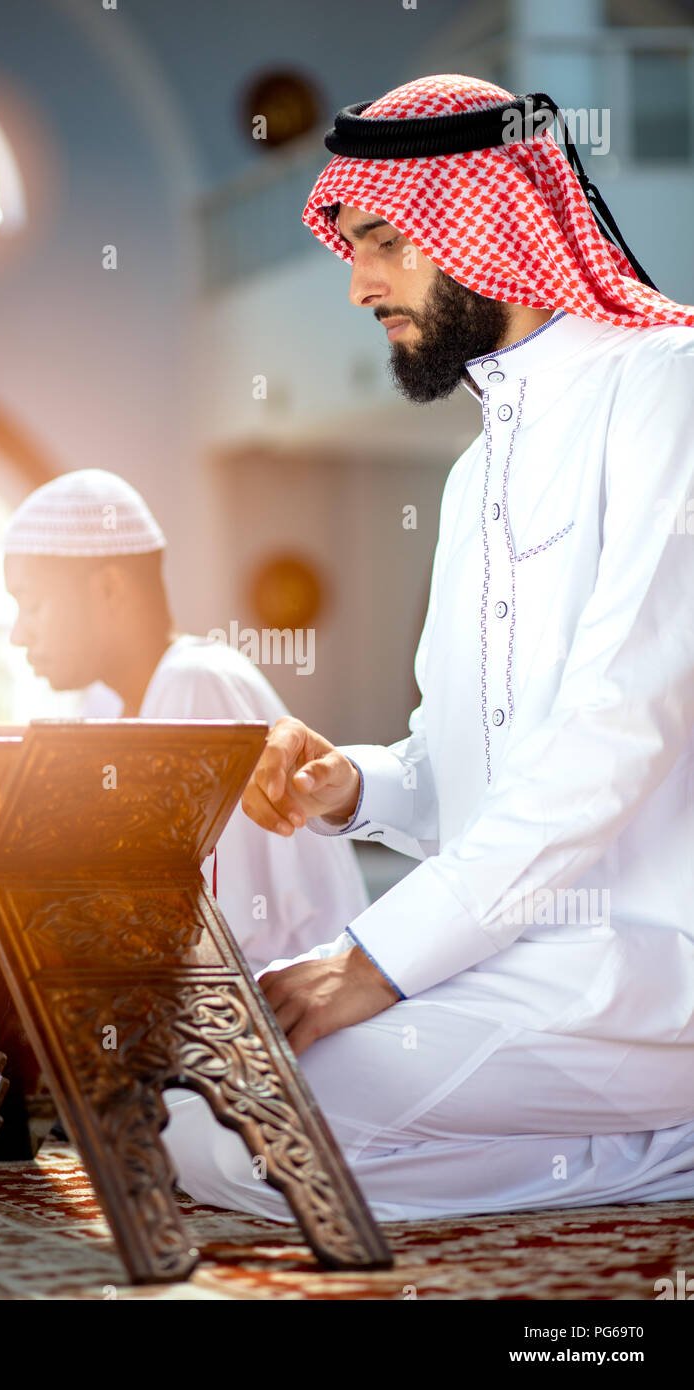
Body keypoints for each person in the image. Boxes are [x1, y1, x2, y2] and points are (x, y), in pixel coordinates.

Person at [162, 74, 694, 1223]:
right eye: (352, 245)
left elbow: (614, 733)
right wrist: (351, 783)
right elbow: (460, 770)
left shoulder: (662, 384)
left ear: (491, 221)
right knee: (190, 1093)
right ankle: (634, 1150)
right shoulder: (468, 478)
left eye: (386, 242)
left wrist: (376, 957)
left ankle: (667, 1143)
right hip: (508, 957)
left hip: (645, 964)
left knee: (239, 1124)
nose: (356, 284)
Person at [2, 468, 369, 974]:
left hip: (288, 1027)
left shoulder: (195, 683)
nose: (18, 634)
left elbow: (221, 934)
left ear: (108, 589)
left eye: (33, 605)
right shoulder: (103, 705)